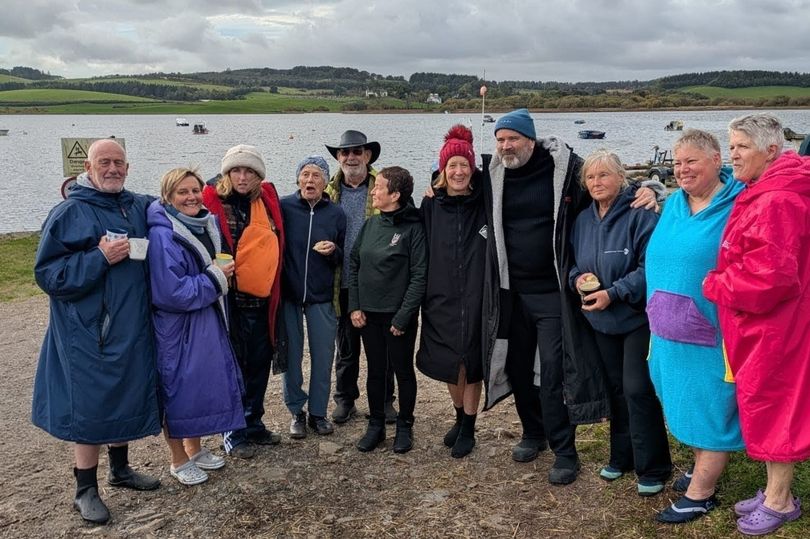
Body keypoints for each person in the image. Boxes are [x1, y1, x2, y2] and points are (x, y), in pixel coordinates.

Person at [482, 108, 661, 485]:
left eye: (513, 138)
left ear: (530, 139)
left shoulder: (564, 171)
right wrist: (434, 184)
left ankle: (565, 451)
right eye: (500, 140)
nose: (506, 146)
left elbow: (606, 184)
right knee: (516, 368)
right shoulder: (494, 174)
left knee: (552, 373)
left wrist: (651, 189)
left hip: (552, 292)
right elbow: (456, 182)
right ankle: (534, 433)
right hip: (512, 292)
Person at [32, 139, 161, 524]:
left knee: (124, 393)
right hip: (87, 331)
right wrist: (98, 258)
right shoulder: (70, 212)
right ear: (88, 168)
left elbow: (178, 198)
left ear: (128, 167)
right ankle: (84, 489)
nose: (112, 169)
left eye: (118, 162)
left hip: (131, 326)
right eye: (103, 162)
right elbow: (48, 275)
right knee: (88, 407)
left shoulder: (136, 204)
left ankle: (120, 470)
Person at [704, 114, 810, 536]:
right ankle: (771, 491)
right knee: (765, 403)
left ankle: (781, 501)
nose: (733, 155)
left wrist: (716, 283)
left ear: (771, 150)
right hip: (762, 327)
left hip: (775, 328)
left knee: (775, 406)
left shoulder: (778, 199)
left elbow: (771, 278)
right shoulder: (762, 190)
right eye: (731, 146)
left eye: (742, 146)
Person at [645, 129, 745, 523]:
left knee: (710, 405)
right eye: (678, 162)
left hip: (711, 331)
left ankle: (701, 492)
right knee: (680, 399)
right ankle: (700, 463)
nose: (682, 170)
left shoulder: (737, 202)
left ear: (717, 160)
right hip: (666, 328)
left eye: (692, 162)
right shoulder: (672, 203)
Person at [568, 150, 671, 495]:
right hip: (600, 320)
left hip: (636, 318)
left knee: (637, 389)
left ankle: (654, 466)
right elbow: (571, 265)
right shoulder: (582, 219)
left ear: (621, 178)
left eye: (604, 176)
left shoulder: (640, 213)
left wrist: (614, 292)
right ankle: (621, 457)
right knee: (614, 389)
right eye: (591, 178)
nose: (597, 183)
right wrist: (577, 281)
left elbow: (650, 267)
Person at [146, 167, 246, 485]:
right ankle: (177, 459)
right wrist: (217, 278)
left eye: (194, 191)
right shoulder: (163, 235)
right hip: (177, 325)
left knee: (198, 386)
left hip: (204, 318)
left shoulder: (205, 222)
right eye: (182, 192)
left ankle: (194, 448)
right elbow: (170, 291)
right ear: (168, 197)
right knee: (176, 389)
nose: (190, 197)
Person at [202, 144, 285, 459]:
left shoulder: (266, 202)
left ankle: (254, 423)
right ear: (226, 173)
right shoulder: (211, 203)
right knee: (233, 366)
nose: (242, 176)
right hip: (229, 301)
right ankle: (232, 431)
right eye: (236, 170)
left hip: (262, 301)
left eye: (249, 171)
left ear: (258, 176)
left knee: (259, 363)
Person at [417, 125, 489, 458]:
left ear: (472, 167)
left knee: (471, 362)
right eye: (452, 166)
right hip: (441, 292)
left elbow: (502, 167)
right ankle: (459, 417)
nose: (459, 172)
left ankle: (470, 426)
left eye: (464, 164)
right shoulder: (432, 204)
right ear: (443, 171)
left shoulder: (485, 198)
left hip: (477, 293)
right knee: (449, 362)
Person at [348, 166, 427, 454]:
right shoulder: (371, 225)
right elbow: (354, 263)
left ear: (395, 195)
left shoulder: (413, 228)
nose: (373, 191)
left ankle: (405, 425)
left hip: (398, 318)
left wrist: (404, 316)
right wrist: (354, 305)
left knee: (403, 372)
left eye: (378, 187)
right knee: (376, 371)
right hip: (369, 314)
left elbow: (420, 275)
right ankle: (376, 425)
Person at [325, 130, 397, 425]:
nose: (351, 157)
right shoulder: (328, 192)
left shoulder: (386, 187)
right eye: (345, 152)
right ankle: (345, 400)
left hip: (379, 283)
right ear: (339, 158)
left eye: (357, 151)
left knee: (382, 349)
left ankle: (385, 402)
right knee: (347, 348)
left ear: (368, 156)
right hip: (342, 281)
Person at [280, 156, 347, 439]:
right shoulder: (283, 207)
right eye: (305, 174)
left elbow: (343, 257)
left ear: (325, 182)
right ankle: (297, 411)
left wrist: (333, 250)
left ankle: (318, 413)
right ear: (298, 179)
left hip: (321, 297)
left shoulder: (336, 214)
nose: (310, 180)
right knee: (291, 358)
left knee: (323, 357)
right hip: (290, 296)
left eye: (317, 176)